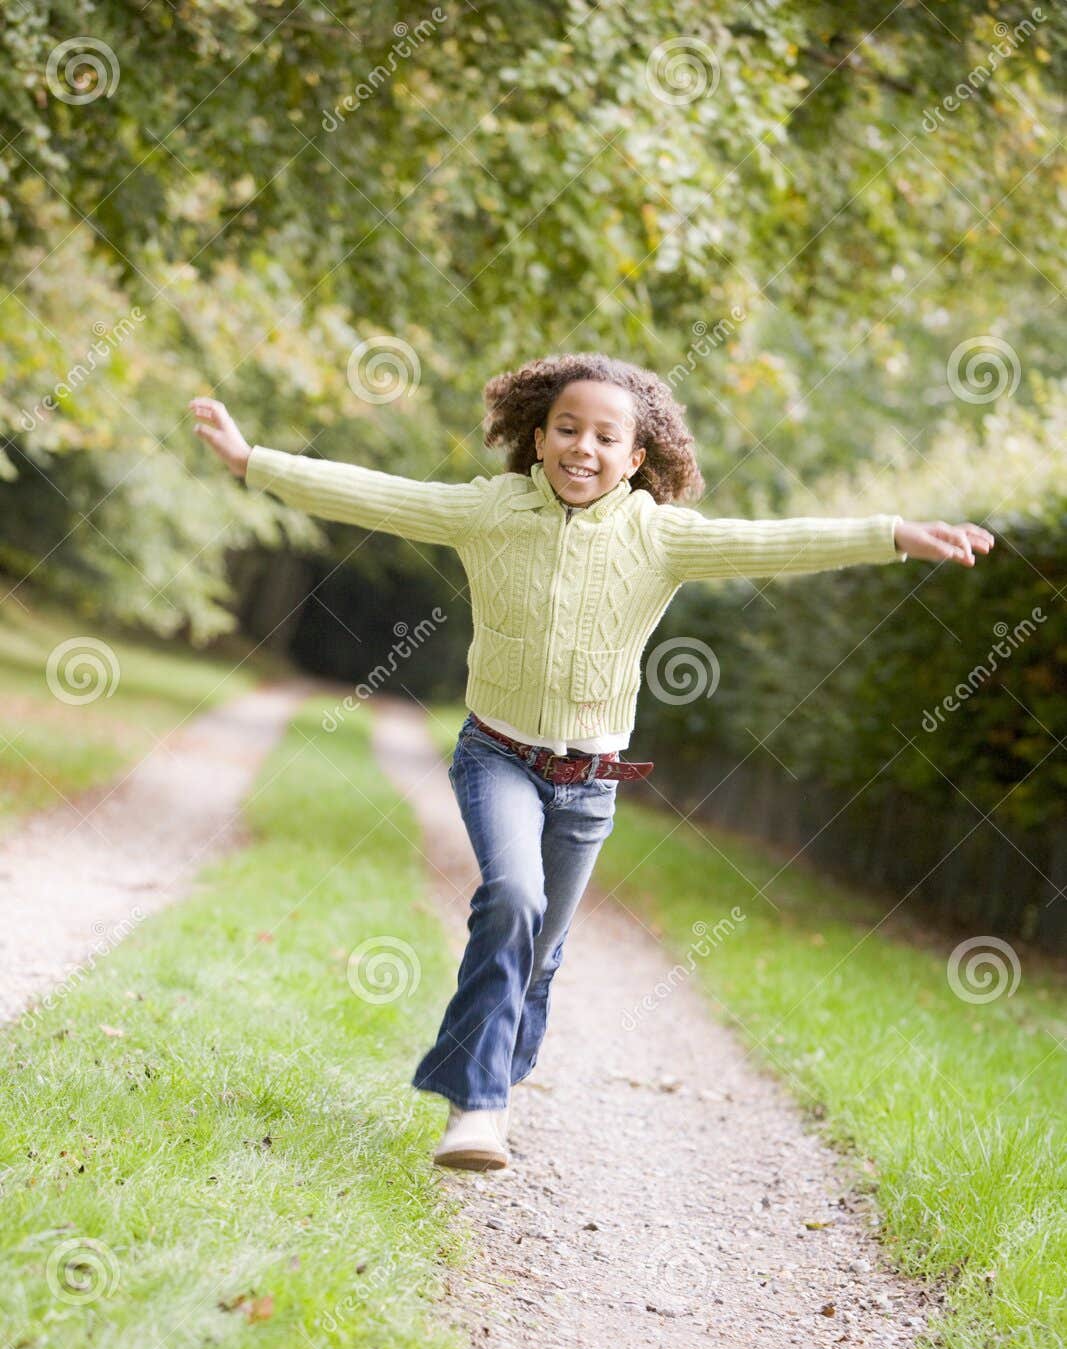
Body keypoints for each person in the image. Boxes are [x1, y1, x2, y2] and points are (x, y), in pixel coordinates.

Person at [189, 354, 993, 1174]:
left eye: (606, 437)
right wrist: (253, 461)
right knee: (512, 899)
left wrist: (890, 534)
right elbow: (375, 494)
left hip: (589, 780)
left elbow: (772, 542)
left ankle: (490, 1078)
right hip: (497, 754)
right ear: (537, 438)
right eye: (567, 429)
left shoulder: (659, 535)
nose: (583, 447)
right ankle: (478, 1107)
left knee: (541, 953)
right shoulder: (489, 510)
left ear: (635, 458)